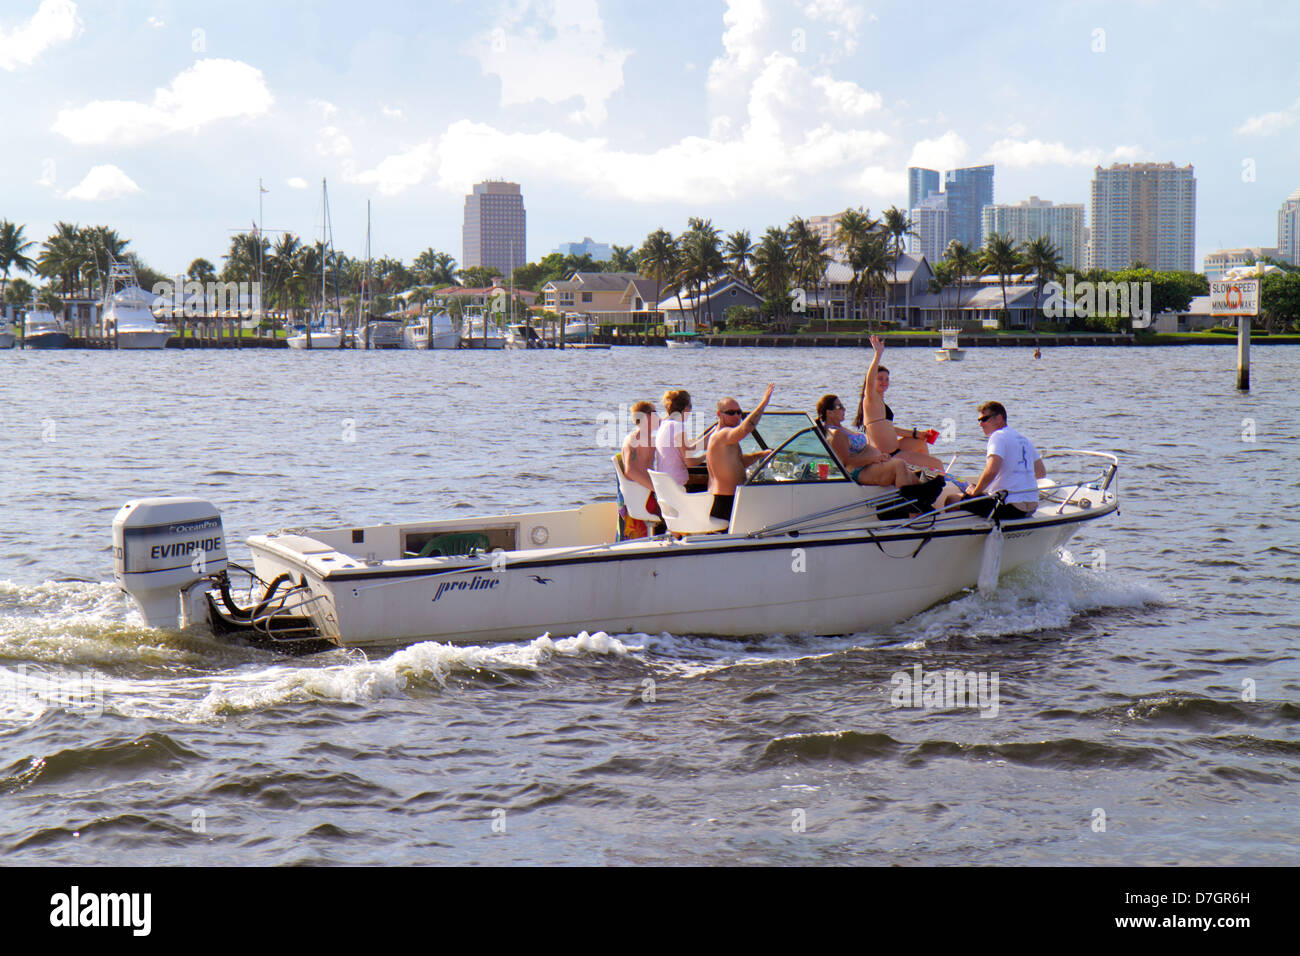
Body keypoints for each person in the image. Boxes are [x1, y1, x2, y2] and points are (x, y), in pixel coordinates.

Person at [856, 335, 945, 472]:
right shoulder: (870, 399)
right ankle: (930, 477)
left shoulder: (880, 402)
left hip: (895, 449)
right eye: (880, 379)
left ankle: (922, 476)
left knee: (919, 443)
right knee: (937, 464)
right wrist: (878, 355)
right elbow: (870, 379)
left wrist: (916, 434)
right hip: (889, 455)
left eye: (887, 379)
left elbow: (890, 429)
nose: (884, 382)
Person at [959, 401, 1047, 521]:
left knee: (952, 499)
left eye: (984, 419)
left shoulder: (997, 436)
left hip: (1009, 506)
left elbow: (991, 470)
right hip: (1031, 507)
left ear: (999, 418)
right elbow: (1041, 472)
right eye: (979, 420)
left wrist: (975, 491)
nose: (980, 424)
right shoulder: (1023, 439)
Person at [814, 394, 917, 488]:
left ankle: (924, 502)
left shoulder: (840, 429)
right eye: (839, 407)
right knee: (900, 465)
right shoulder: (836, 434)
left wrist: (877, 457)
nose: (844, 409)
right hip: (859, 470)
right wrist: (874, 459)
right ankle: (905, 504)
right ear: (829, 413)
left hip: (868, 465)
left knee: (911, 476)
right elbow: (846, 462)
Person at [705, 385, 775, 523]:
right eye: (731, 413)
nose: (736, 416)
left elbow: (737, 462)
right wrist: (764, 403)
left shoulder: (725, 438)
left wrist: (759, 455)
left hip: (724, 498)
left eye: (739, 412)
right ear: (719, 414)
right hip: (725, 500)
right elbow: (746, 428)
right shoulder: (723, 434)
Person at [618, 400, 662, 538]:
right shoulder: (634, 440)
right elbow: (630, 471)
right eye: (655, 413)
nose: (658, 417)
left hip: (647, 493)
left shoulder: (650, 439)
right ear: (647, 417)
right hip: (639, 495)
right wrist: (656, 488)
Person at [654, 389, 706, 487]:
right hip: (677, 486)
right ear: (685, 408)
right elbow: (690, 462)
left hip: (665, 484)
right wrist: (706, 455)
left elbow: (683, 451)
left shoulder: (664, 425)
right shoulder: (678, 426)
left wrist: (707, 438)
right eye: (691, 407)